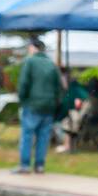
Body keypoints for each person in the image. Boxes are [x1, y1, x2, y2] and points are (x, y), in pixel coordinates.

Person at [14, 37, 61, 174]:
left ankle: (24, 165)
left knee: (27, 135)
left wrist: (22, 100)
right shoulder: (51, 64)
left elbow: (24, 84)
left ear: (33, 48)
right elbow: (58, 87)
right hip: (49, 106)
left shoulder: (30, 62)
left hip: (32, 104)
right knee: (43, 137)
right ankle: (40, 165)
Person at [59, 78, 98, 153]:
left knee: (70, 120)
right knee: (71, 120)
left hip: (91, 125)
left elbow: (82, 116)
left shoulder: (90, 101)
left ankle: (68, 146)